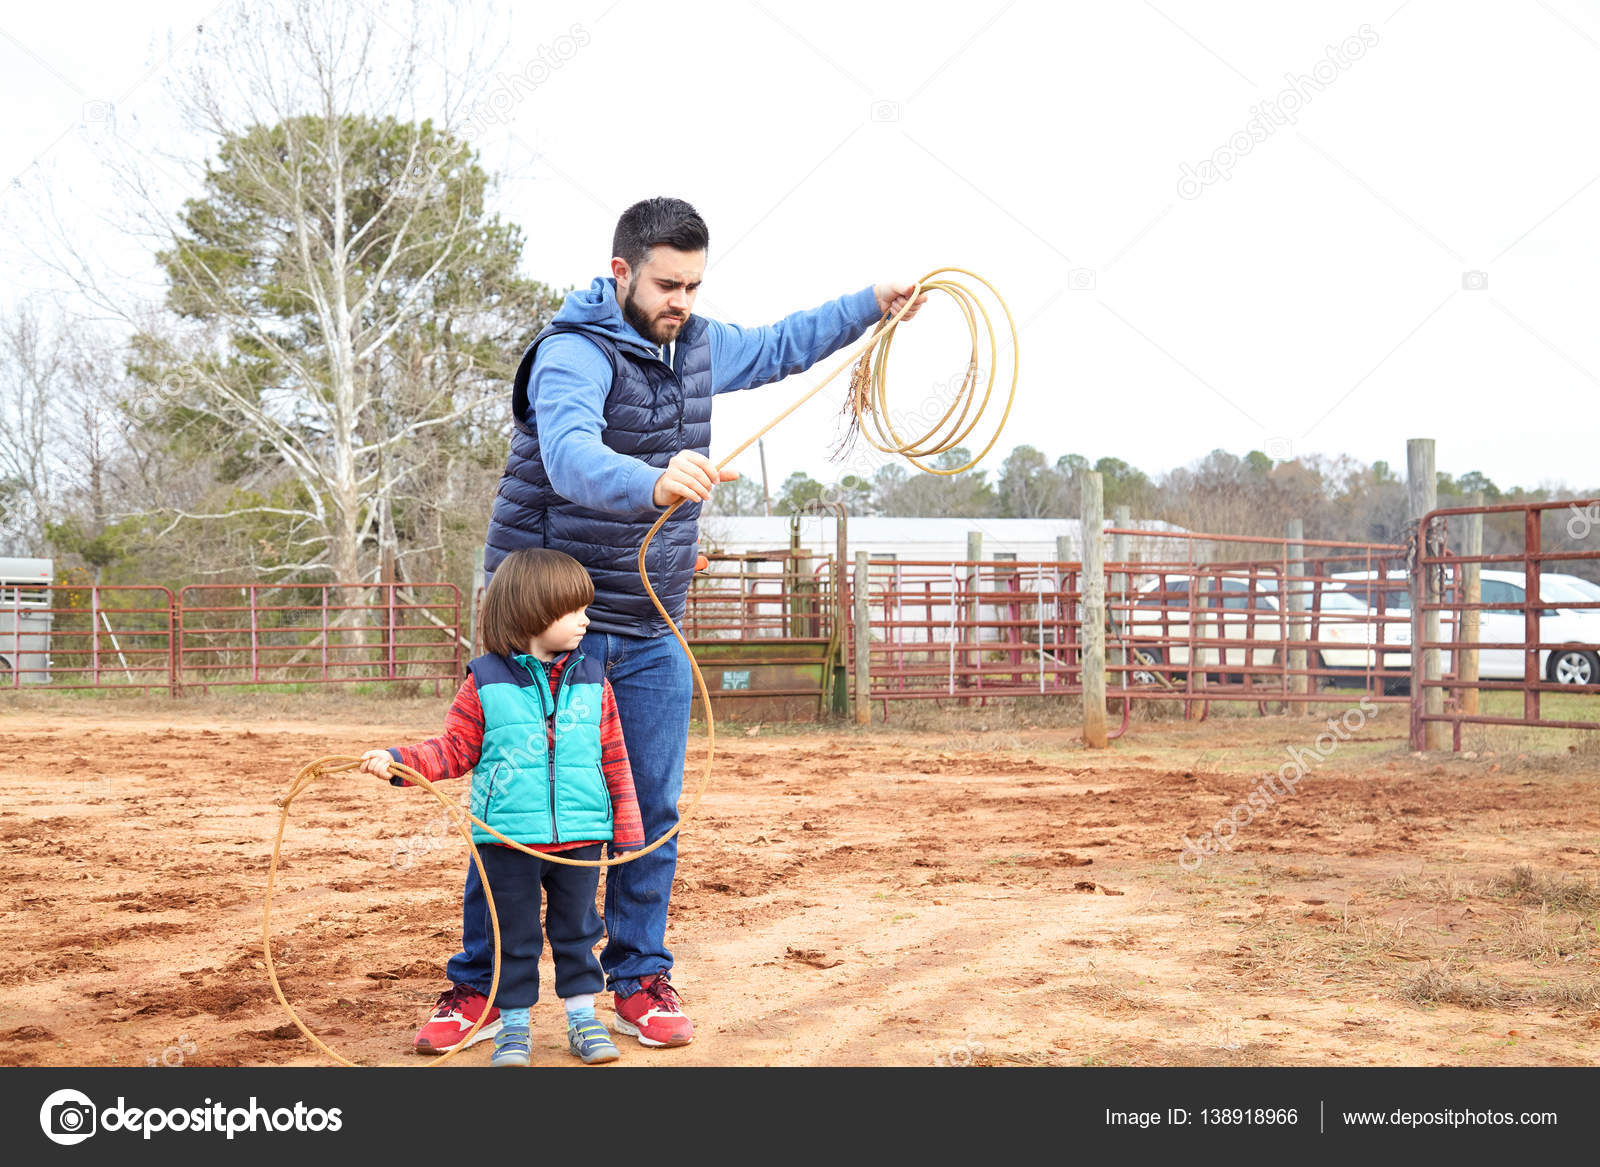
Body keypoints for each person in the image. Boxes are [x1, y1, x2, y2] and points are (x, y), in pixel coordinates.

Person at [414, 196, 926, 1053]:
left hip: (649, 621)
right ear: (620, 273)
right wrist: (651, 482)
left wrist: (871, 302)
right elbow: (573, 455)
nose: (681, 299)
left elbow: (783, 343)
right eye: (666, 283)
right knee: (515, 807)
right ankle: (481, 983)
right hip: (544, 628)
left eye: (692, 283)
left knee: (647, 807)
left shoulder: (699, 346)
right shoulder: (571, 356)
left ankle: (639, 976)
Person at [362, 548, 645, 1066]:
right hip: (506, 842)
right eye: (574, 610)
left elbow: (615, 758)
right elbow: (454, 748)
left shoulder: (593, 680)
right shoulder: (485, 681)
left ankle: (583, 1019)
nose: (588, 619)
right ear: (534, 612)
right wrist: (402, 762)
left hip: (581, 838)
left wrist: (626, 831)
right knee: (509, 934)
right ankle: (513, 1028)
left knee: (579, 931)